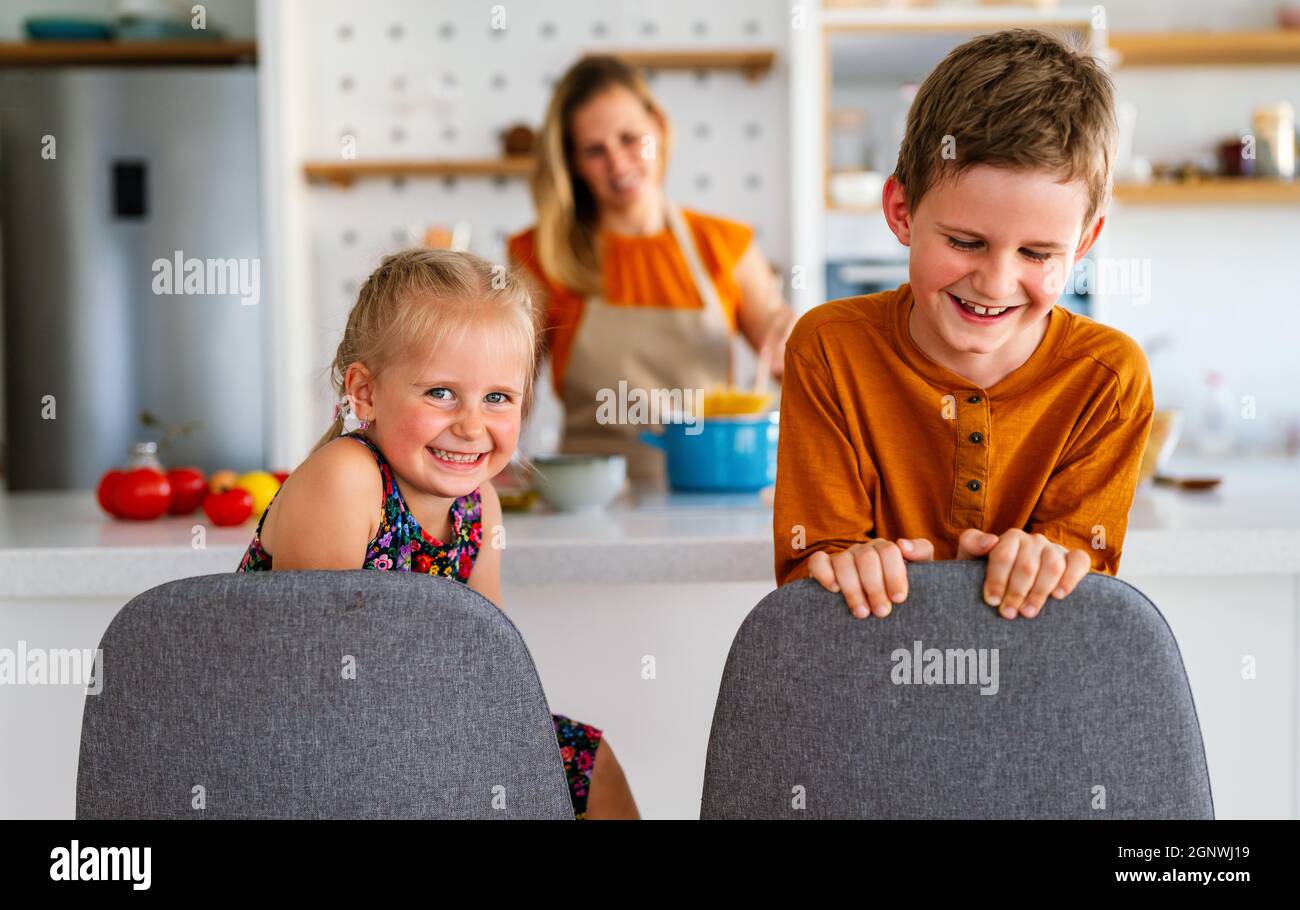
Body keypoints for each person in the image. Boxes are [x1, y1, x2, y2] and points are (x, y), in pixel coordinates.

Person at [237, 249, 639, 819]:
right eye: (440, 393)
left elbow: (491, 664)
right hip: (310, 758)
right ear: (366, 393)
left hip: (425, 737)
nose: (472, 425)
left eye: (498, 397)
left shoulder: (481, 507)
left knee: (592, 765)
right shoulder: (346, 480)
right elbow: (314, 679)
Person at [774, 29, 1154, 621]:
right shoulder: (827, 351)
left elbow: (1083, 603)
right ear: (902, 212)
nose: (996, 283)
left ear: (1083, 244)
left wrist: (1044, 563)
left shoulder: (1108, 378)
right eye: (966, 242)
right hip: (867, 694)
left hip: (1035, 703)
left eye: (1037, 254)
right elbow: (807, 580)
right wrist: (847, 564)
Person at [509, 55, 795, 480]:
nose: (619, 165)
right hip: (589, 500)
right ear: (572, 164)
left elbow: (787, 352)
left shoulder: (725, 244)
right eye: (594, 151)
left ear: (658, 127)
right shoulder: (542, 254)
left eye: (630, 139)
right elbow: (506, 383)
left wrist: (790, 333)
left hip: (710, 493)